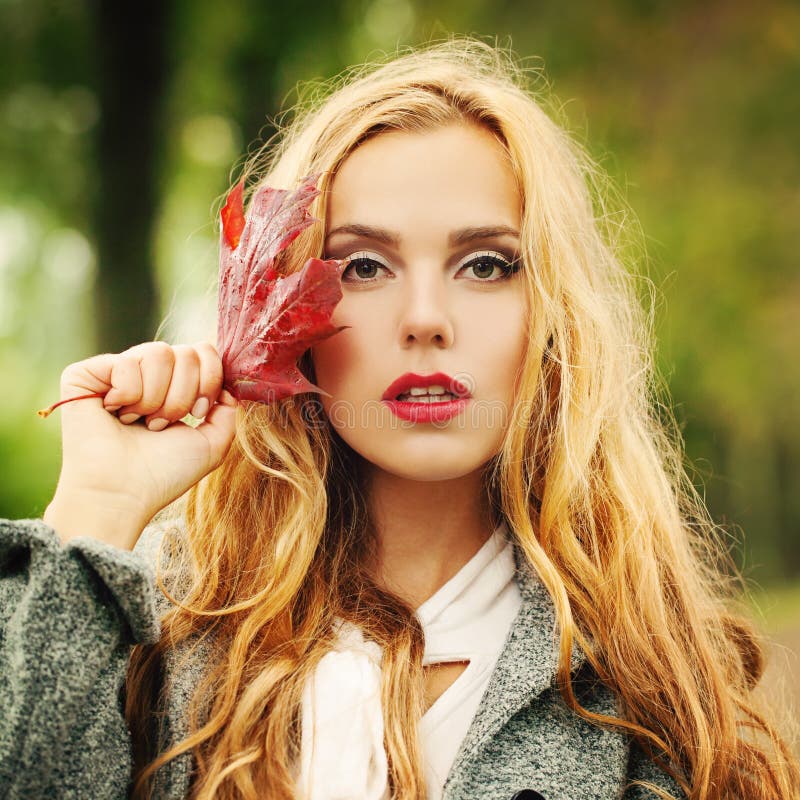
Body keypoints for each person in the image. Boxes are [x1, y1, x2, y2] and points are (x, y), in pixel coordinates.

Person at [1, 36, 798, 800]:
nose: (425, 320)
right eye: (364, 267)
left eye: (485, 264)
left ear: (553, 310)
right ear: (280, 305)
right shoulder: (164, 625)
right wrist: (97, 511)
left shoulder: (646, 678)